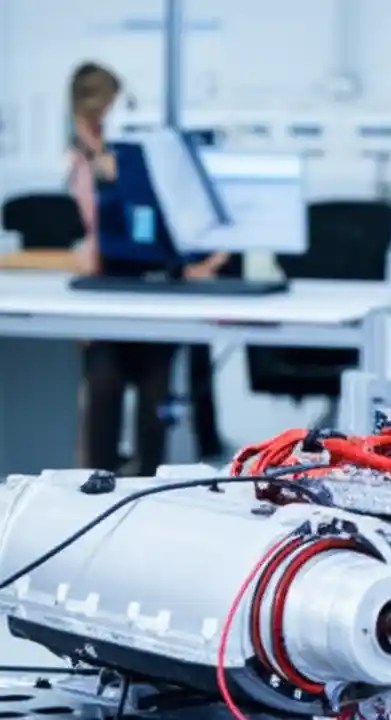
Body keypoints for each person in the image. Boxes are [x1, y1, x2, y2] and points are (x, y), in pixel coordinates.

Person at [66, 61, 226, 476]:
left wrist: (203, 263)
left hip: (157, 290)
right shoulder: (82, 168)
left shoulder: (151, 160)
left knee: (154, 381)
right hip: (108, 292)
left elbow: (200, 227)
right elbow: (89, 234)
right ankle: (93, 487)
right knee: (103, 382)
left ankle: (147, 482)